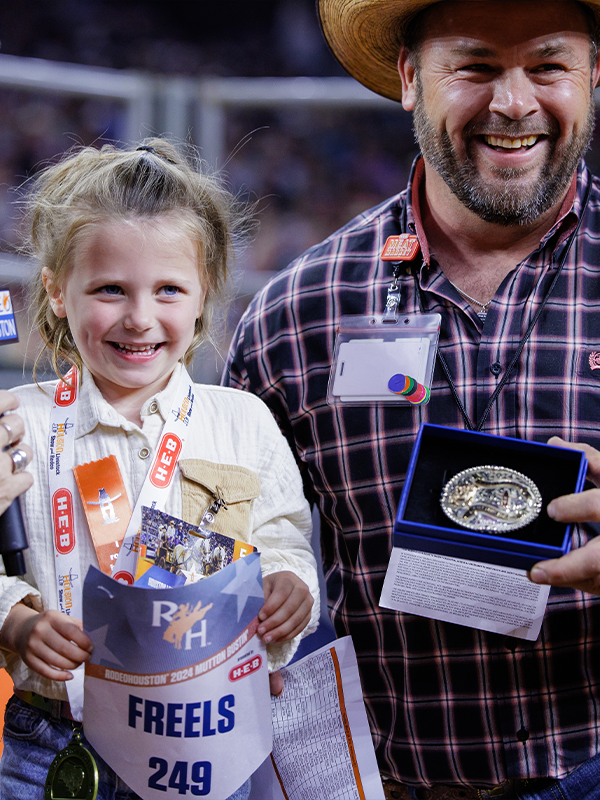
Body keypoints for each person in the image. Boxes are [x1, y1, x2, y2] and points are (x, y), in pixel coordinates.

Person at [223, 1, 600, 798]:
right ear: (407, 79)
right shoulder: (298, 314)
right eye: (474, 65)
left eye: (548, 64)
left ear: (594, 77)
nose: (514, 102)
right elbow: (218, 543)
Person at [0, 138, 320, 800]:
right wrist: (16, 618)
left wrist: (292, 585)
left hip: (203, 743)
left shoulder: (243, 422)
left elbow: (283, 538)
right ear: (59, 293)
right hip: (52, 749)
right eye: (110, 289)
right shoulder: (16, 426)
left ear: (205, 295)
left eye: (168, 289)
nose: (140, 318)